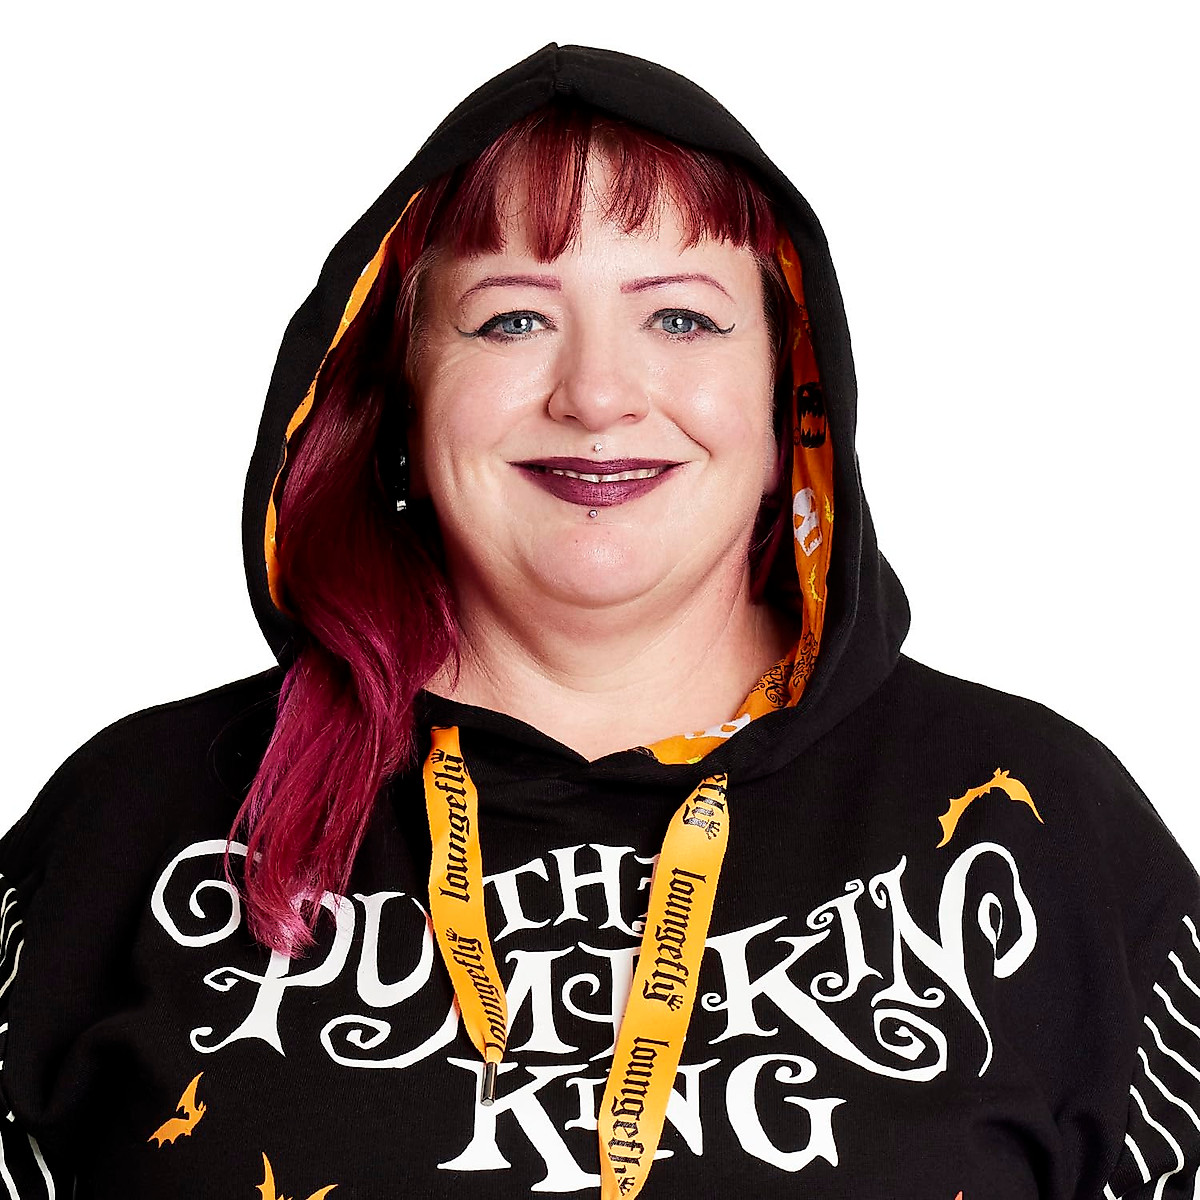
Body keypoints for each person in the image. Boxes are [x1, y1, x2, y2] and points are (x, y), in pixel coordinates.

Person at [0, 41, 1194, 1200]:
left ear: (790, 396)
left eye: (680, 319)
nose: (597, 394)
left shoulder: (1046, 827)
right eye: (511, 320)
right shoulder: (129, 822)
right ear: (402, 398)